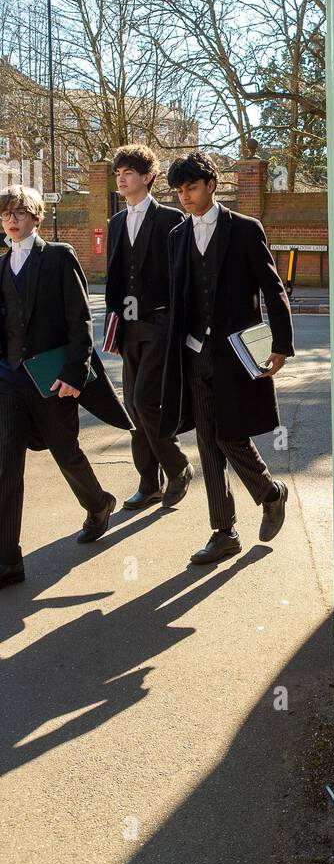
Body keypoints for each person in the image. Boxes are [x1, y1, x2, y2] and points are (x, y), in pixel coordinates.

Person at [158, 152, 295, 565]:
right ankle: (224, 532)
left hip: (236, 354)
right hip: (193, 354)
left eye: (192, 188)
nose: (185, 196)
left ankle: (270, 492)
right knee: (206, 440)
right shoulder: (177, 237)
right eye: (179, 191)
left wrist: (281, 344)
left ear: (212, 185)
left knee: (228, 433)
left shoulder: (244, 230)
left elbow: (272, 289)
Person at [0, 185, 133, 587]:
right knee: (6, 468)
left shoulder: (58, 256)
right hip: (8, 380)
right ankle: (8, 562)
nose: (12, 219)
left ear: (36, 215)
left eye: (20, 211)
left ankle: (99, 503)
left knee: (65, 452)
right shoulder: (0, 266)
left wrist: (76, 373)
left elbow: (80, 319)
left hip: (52, 378)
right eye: (6, 213)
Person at [106, 144, 192, 510]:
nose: (121, 179)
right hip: (128, 326)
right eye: (118, 173)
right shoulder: (115, 222)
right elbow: (115, 277)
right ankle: (148, 482)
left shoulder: (171, 219)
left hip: (160, 322)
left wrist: (177, 322)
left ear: (148, 177)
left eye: (128, 172)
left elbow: (182, 275)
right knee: (132, 407)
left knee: (146, 401)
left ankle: (179, 467)